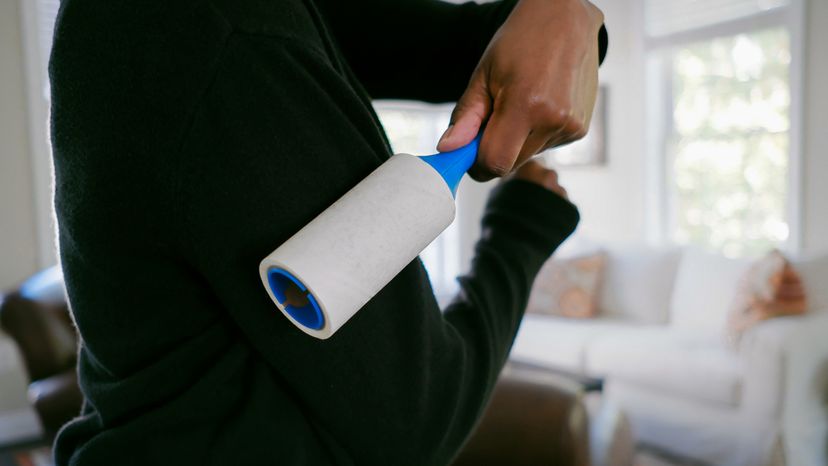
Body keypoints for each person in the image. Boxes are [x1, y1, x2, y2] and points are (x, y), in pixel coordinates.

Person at [48, 0, 607, 464]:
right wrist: (523, 225)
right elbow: (419, 415)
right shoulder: (215, 34)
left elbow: (454, 42)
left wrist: (566, 15)